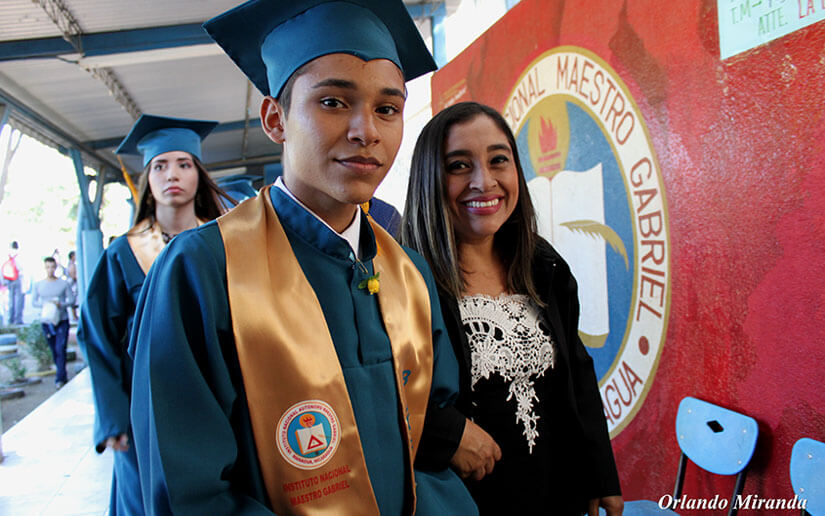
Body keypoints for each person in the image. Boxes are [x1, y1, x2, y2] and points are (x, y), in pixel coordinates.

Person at [128, 1, 477, 514]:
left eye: (388, 108)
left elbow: (430, 437)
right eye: (334, 102)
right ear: (276, 119)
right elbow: (191, 493)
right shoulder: (203, 271)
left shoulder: (408, 271)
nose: (367, 131)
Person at [401, 101, 624, 516]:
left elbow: (576, 372)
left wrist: (600, 472)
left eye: (498, 160)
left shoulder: (544, 265)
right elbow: (381, 399)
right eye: (458, 166)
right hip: (463, 502)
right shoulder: (404, 280)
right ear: (429, 180)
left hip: (557, 495)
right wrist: (446, 435)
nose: (484, 182)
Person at [77, 114, 234, 516]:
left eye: (184, 164)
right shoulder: (122, 254)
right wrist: (113, 417)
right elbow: (97, 336)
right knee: (145, 501)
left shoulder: (222, 245)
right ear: (147, 180)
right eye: (160, 166)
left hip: (213, 400)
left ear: (199, 174)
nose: (172, 175)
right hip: (141, 412)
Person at [32, 256, 74, 388]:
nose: (50, 270)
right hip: (46, 321)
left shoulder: (63, 283)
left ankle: (60, 378)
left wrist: (60, 304)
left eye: (52, 267)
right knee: (54, 349)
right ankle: (62, 373)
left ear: (56, 267)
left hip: (61, 320)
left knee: (60, 348)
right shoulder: (38, 285)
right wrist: (46, 304)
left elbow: (71, 300)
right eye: (47, 267)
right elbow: (34, 302)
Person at [2, 241, 26, 325]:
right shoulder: (19, 255)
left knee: (11, 300)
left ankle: (10, 319)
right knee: (19, 300)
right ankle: (18, 320)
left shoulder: (7, 255)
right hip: (18, 278)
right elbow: (22, 269)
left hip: (9, 279)